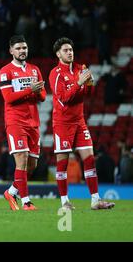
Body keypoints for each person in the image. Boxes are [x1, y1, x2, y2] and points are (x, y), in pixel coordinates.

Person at [49, 37, 115, 210]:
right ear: (58, 54)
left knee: (90, 159)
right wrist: (79, 83)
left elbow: (88, 93)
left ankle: (95, 200)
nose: (69, 52)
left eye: (71, 49)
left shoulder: (80, 68)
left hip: (79, 122)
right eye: (65, 50)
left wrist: (89, 83)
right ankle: (65, 202)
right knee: (62, 163)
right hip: (62, 123)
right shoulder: (55, 74)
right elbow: (63, 98)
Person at [0, 35, 46, 211]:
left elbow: (42, 97)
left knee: (31, 165)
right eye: (18, 48)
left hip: (33, 121)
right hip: (15, 121)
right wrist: (29, 89)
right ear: (11, 50)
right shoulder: (6, 71)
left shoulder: (35, 70)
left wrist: (38, 90)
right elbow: (8, 98)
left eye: (24, 48)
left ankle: (11, 192)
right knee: (21, 160)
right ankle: (26, 202)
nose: (22, 51)